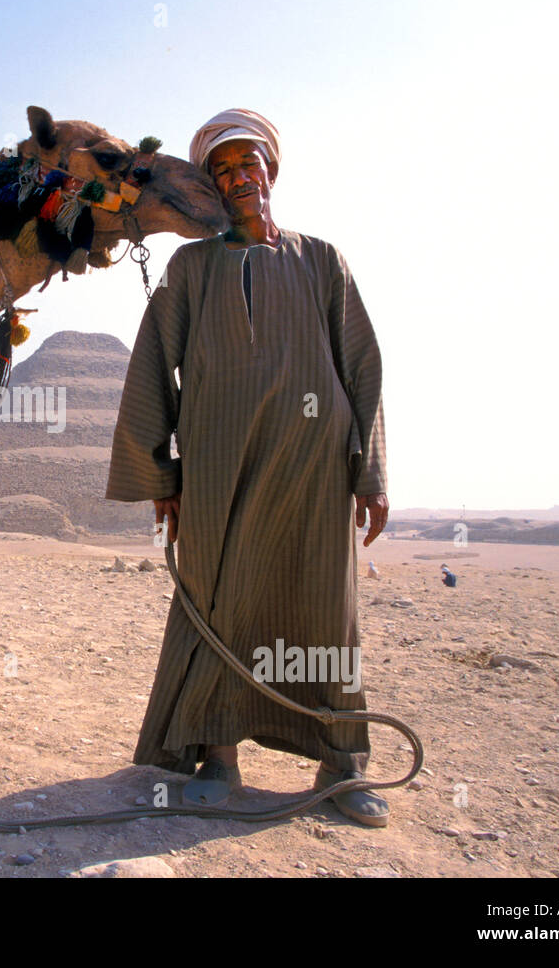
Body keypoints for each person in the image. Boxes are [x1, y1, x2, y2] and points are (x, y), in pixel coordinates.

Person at [106, 108, 391, 826]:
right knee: (220, 602)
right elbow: (150, 372)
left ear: (271, 171)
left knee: (327, 611)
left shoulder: (322, 259)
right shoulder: (191, 267)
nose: (241, 178)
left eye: (250, 164)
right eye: (224, 169)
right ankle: (217, 754)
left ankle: (341, 763)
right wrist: (161, 477)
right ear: (212, 184)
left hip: (315, 469)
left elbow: (362, 366)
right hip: (220, 468)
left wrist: (372, 471)